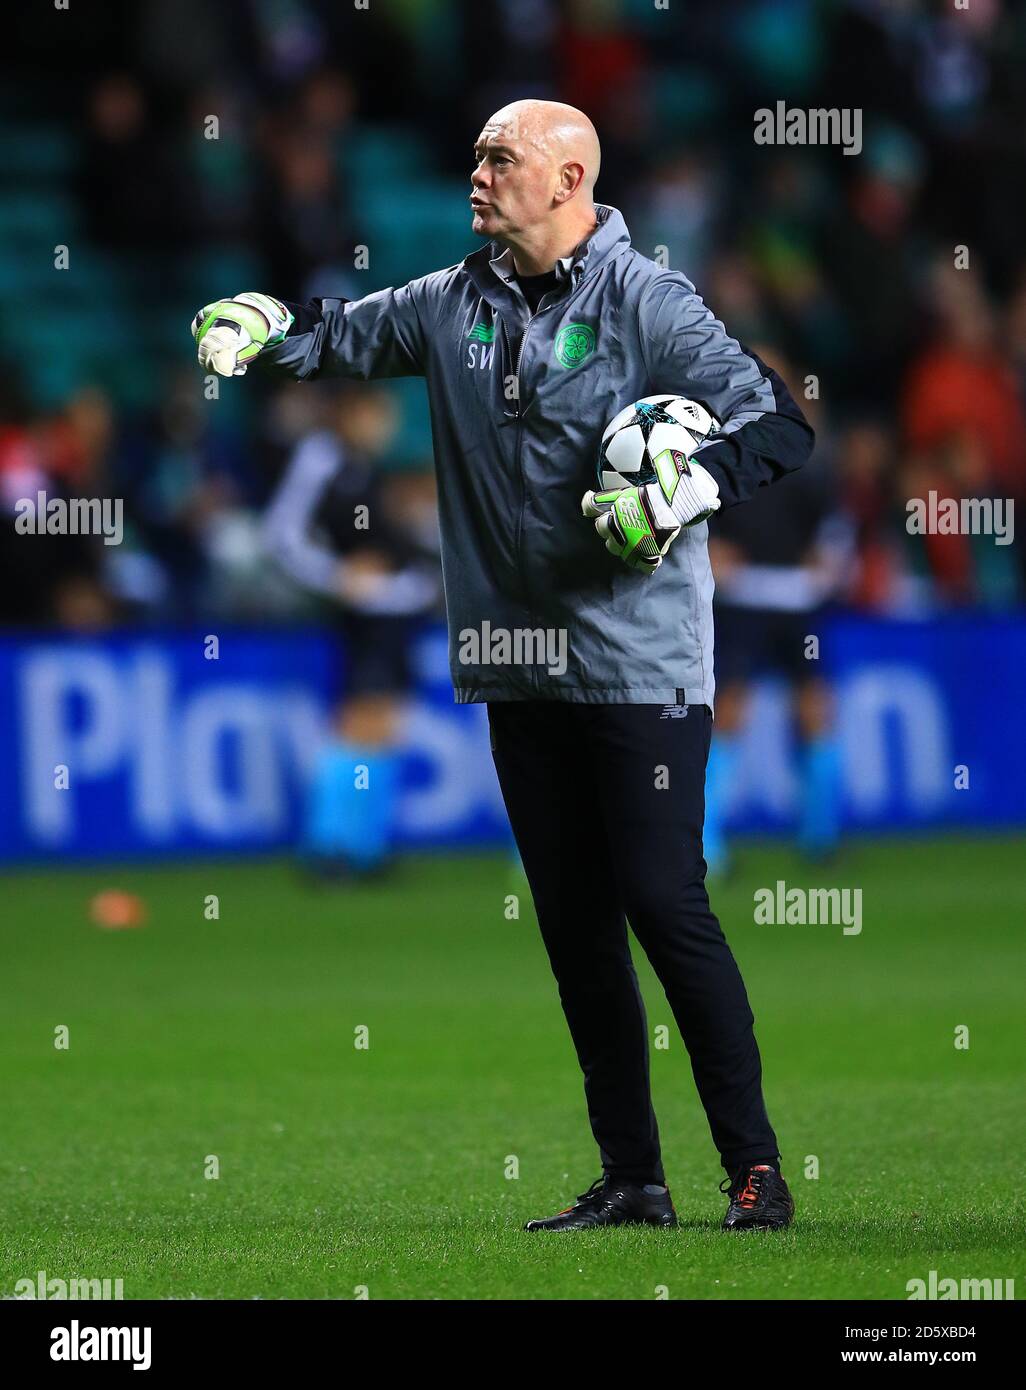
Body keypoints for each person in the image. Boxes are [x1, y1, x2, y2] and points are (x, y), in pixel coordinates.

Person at [192, 99, 814, 1232]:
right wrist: (265, 323)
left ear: (569, 179)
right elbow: (338, 335)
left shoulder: (648, 300)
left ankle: (757, 1169)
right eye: (476, 154)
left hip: (638, 665)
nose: (476, 174)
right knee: (575, 930)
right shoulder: (451, 302)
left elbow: (778, 423)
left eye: (500, 158)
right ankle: (634, 1179)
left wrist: (695, 482)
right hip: (516, 667)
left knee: (664, 905)